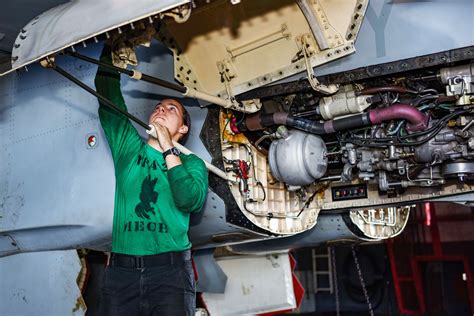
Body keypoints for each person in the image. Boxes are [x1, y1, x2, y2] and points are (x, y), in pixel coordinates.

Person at [94, 43, 208, 315]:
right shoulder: (128, 148)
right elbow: (107, 94)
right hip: (122, 274)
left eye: (171, 109)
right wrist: (112, 46)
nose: (160, 109)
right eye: (158, 107)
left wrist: (169, 148)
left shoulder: (193, 164)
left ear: (182, 128)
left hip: (170, 275)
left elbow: (188, 199)